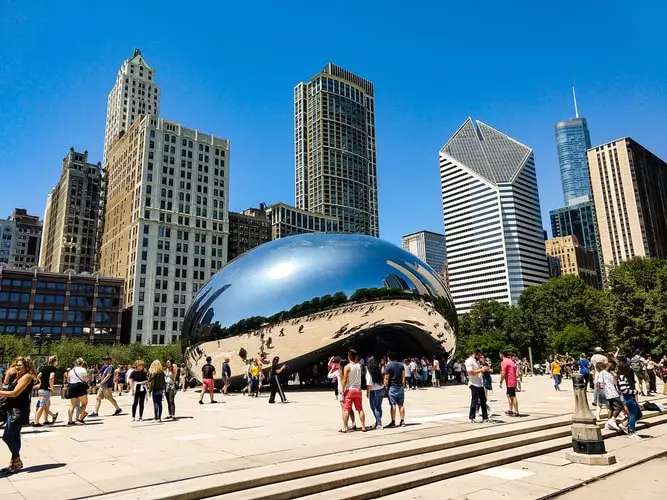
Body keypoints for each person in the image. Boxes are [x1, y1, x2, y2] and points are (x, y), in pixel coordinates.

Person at [0, 357, 39, 473]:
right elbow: (7, 387)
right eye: (17, 365)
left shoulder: (27, 377)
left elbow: (14, 393)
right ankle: (14, 462)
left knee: (7, 436)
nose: (17, 367)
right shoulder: (19, 377)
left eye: (20, 365)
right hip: (13, 409)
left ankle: (17, 459)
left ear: (27, 366)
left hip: (19, 411)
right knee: (15, 436)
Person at [339, 349, 366, 432]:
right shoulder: (359, 366)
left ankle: (345, 426)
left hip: (350, 389)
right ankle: (363, 426)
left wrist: (342, 389)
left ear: (349, 357)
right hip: (358, 389)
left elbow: (345, 379)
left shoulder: (347, 367)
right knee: (360, 409)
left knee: (346, 409)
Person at [617, 355, 641, 439]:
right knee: (633, 415)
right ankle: (631, 431)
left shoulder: (624, 372)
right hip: (628, 396)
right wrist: (634, 391)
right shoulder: (622, 376)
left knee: (638, 414)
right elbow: (624, 389)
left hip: (629, 396)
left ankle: (624, 425)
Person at [465, 349, 490, 423]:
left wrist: (484, 369)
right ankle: (471, 417)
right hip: (473, 383)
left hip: (480, 383)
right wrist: (481, 370)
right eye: (479, 355)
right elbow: (470, 372)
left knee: (483, 401)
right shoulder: (469, 361)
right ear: (475, 354)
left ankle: (485, 417)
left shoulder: (477, 361)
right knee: (474, 401)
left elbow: (479, 370)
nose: (480, 357)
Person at [33, 355, 58, 426]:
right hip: (46, 390)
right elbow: (51, 377)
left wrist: (41, 382)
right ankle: (36, 422)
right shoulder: (53, 368)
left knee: (46, 404)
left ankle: (47, 419)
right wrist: (51, 387)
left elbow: (38, 376)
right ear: (54, 361)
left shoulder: (44, 368)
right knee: (42, 405)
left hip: (41, 389)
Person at [383, 352, 406, 428]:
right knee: (401, 405)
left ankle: (393, 421)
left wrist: (385, 387)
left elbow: (386, 378)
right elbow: (403, 377)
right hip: (400, 387)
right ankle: (402, 421)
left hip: (392, 387)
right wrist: (403, 385)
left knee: (393, 405)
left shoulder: (388, 366)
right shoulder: (401, 365)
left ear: (389, 358)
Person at [66, 357, 90, 425]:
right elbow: (85, 379)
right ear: (82, 363)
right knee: (84, 403)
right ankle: (80, 417)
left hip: (72, 387)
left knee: (72, 405)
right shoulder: (83, 369)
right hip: (80, 387)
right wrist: (88, 378)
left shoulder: (71, 370)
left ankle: (70, 421)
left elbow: (68, 380)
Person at [365, 356, 384, 430]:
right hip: (381, 389)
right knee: (379, 407)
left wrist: (368, 392)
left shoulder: (369, 372)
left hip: (374, 390)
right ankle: (377, 421)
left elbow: (369, 384)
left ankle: (379, 423)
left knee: (374, 407)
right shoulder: (378, 369)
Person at [499, 351, 519, 417]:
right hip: (512, 380)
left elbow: (503, 373)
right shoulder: (510, 361)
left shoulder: (504, 362)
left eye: (499, 354)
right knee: (509, 395)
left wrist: (501, 382)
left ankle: (516, 412)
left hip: (510, 381)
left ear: (502, 354)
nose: (499, 356)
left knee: (513, 396)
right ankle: (510, 410)